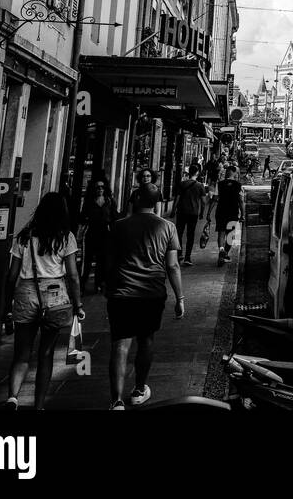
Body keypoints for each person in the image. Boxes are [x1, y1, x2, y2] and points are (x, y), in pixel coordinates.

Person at [105, 182, 185, 409]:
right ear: (157, 202)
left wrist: (108, 288)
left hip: (122, 292)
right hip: (151, 292)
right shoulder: (168, 227)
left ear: (136, 199)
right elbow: (172, 266)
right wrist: (180, 298)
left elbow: (109, 262)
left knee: (120, 344)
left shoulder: (118, 226)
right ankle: (139, 389)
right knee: (146, 341)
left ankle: (116, 400)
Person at [4, 192, 82, 410]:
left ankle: (13, 396)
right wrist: (78, 304)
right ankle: (39, 405)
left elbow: (12, 275)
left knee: (21, 353)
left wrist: (7, 303)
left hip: (26, 293)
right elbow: (73, 275)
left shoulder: (24, 237)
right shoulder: (66, 237)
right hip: (55, 294)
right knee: (46, 353)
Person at [79, 176, 117, 292]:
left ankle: (98, 284)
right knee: (87, 261)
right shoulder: (89, 201)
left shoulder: (110, 201)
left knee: (102, 260)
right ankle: (81, 285)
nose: (100, 189)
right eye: (97, 187)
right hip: (91, 233)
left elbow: (114, 218)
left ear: (105, 188)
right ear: (94, 189)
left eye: (102, 187)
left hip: (105, 233)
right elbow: (82, 217)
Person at [172, 163, 206, 266]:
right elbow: (203, 202)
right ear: (197, 173)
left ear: (189, 172)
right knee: (190, 235)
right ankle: (188, 257)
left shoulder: (182, 184)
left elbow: (177, 199)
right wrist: (202, 213)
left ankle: (179, 254)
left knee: (179, 233)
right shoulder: (200, 186)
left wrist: (173, 210)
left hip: (181, 212)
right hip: (193, 213)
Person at [213, 164, 244, 266]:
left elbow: (215, 199)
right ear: (234, 173)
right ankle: (225, 253)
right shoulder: (238, 185)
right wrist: (243, 214)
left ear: (227, 173)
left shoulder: (220, 184)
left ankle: (221, 250)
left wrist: (208, 213)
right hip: (233, 213)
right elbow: (241, 201)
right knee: (230, 234)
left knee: (221, 232)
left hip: (221, 212)